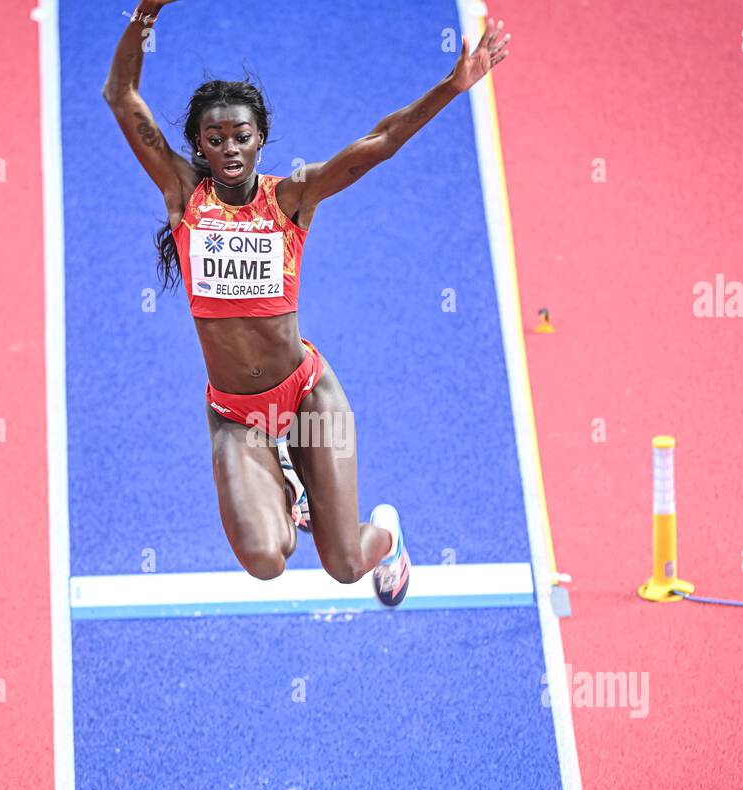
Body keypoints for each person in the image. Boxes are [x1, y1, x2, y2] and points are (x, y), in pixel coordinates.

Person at [102, 2, 510, 607]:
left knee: (345, 566)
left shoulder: (291, 199)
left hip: (306, 395)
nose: (230, 148)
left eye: (242, 136)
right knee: (267, 560)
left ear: (260, 139)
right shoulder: (182, 193)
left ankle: (388, 536)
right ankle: (286, 483)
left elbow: (383, 139)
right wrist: (145, 14)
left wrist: (452, 86)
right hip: (237, 415)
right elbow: (120, 93)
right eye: (215, 140)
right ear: (199, 147)